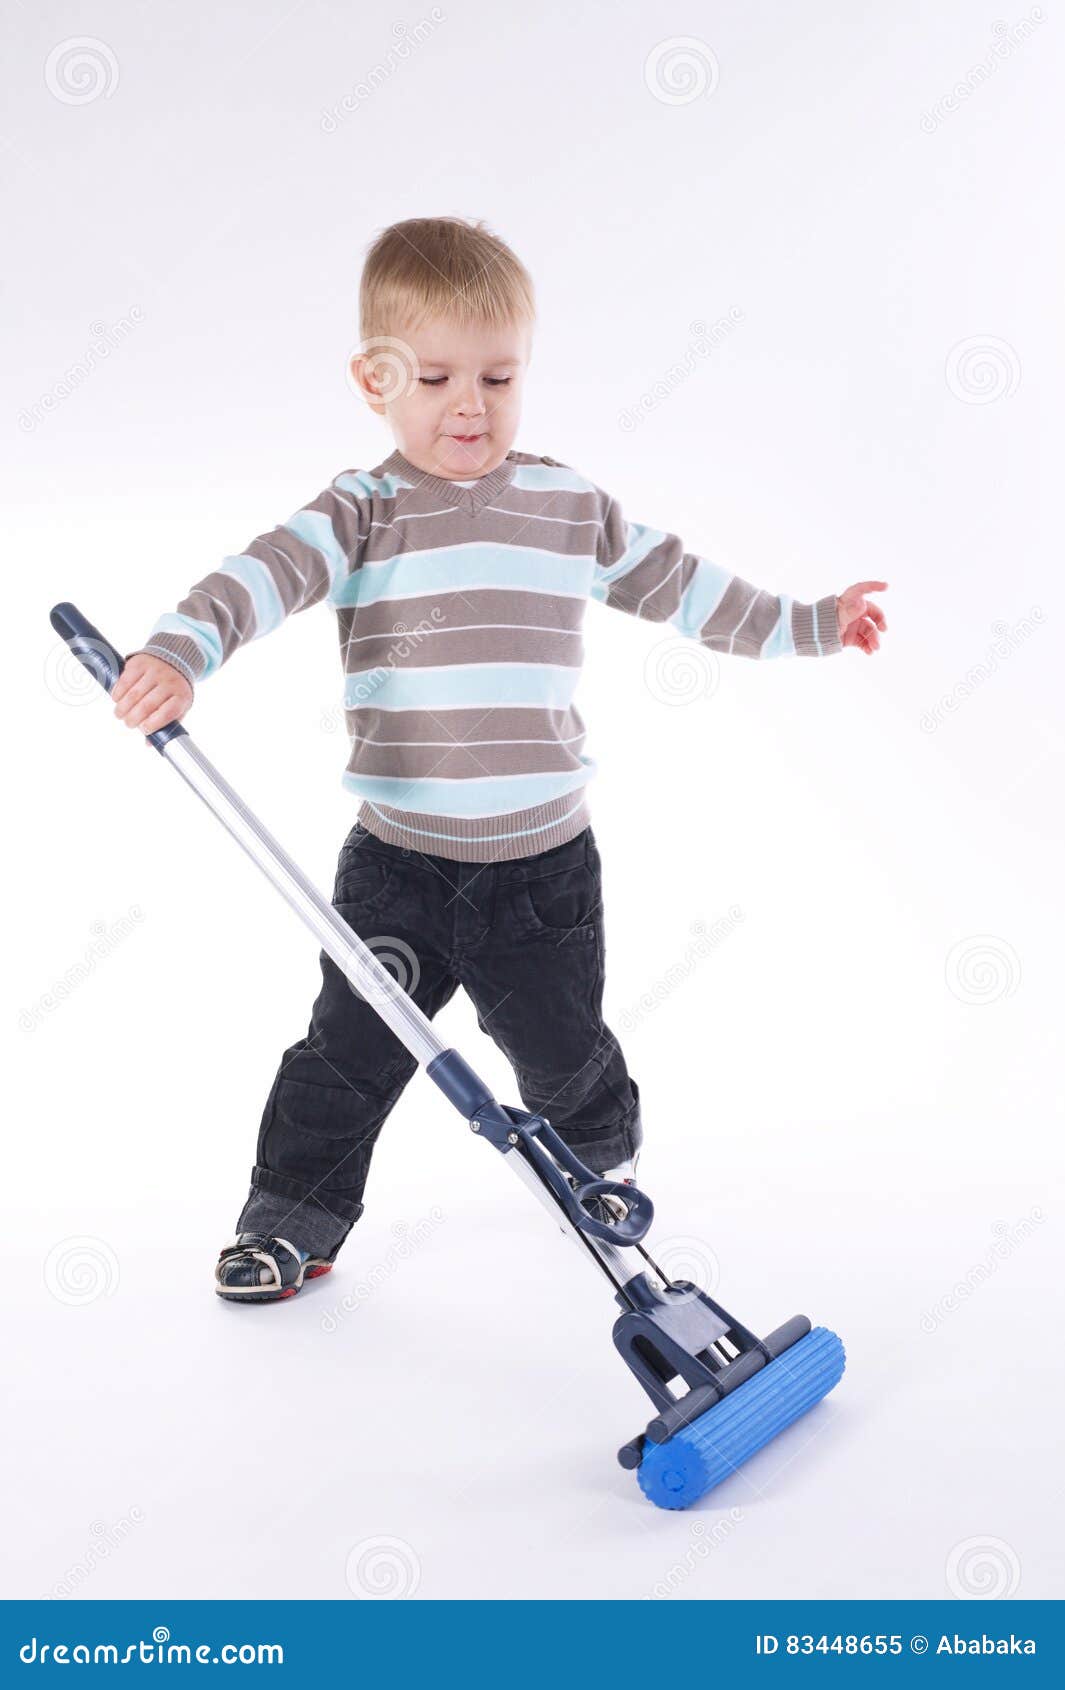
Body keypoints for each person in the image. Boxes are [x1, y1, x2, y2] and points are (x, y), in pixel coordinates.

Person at [110, 216, 887, 1302]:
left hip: (542, 872)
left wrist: (810, 621)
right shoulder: (362, 511)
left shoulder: (567, 507)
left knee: (562, 1055)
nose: (469, 405)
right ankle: (290, 1219)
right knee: (347, 1053)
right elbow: (259, 577)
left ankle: (602, 1164)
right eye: (433, 378)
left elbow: (688, 588)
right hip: (397, 867)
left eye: (498, 377)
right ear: (373, 378)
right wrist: (176, 655)